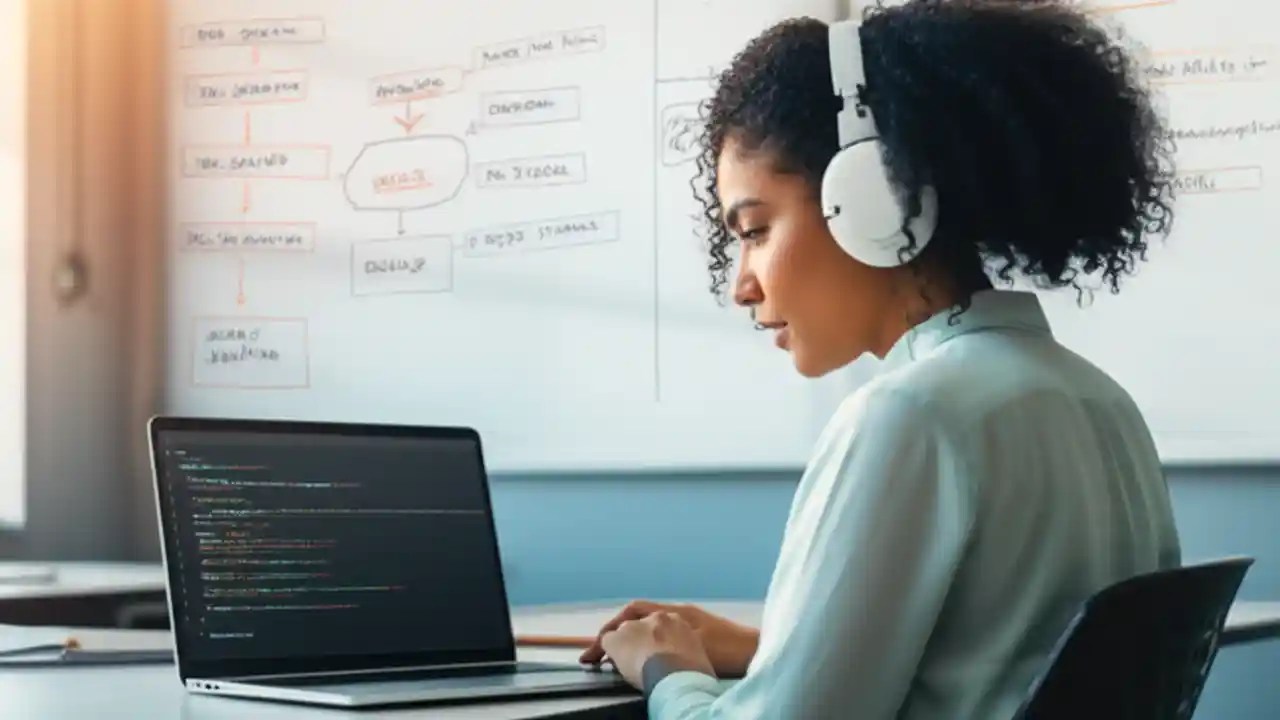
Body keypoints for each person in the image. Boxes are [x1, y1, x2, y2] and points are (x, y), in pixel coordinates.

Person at [577, 1, 1183, 717]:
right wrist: (776, 646)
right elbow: (997, 657)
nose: (742, 284)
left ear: (870, 199)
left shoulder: (911, 417)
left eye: (757, 228)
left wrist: (667, 671)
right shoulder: (1099, 401)